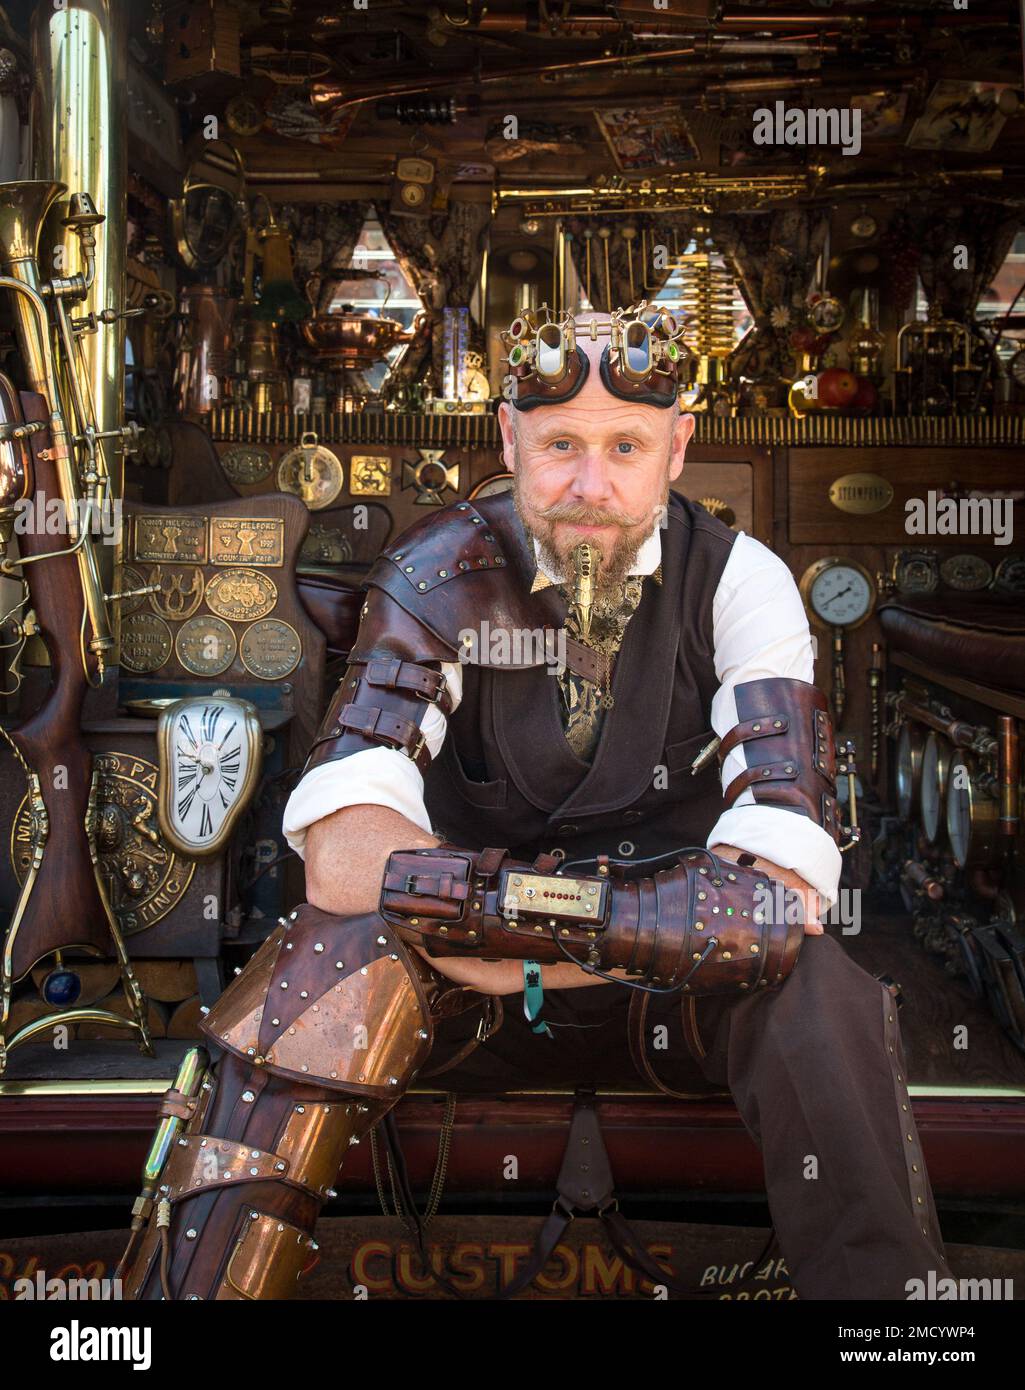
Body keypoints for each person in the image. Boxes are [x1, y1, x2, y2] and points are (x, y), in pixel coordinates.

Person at [119, 304, 953, 1301]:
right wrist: (635, 917)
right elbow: (341, 859)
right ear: (508, 436)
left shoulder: (743, 583)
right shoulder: (437, 573)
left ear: (676, 447)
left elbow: (778, 900)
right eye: (559, 444)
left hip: (669, 1003)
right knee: (319, 961)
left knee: (819, 990)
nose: (589, 485)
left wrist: (470, 912)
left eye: (624, 447)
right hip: (467, 1008)